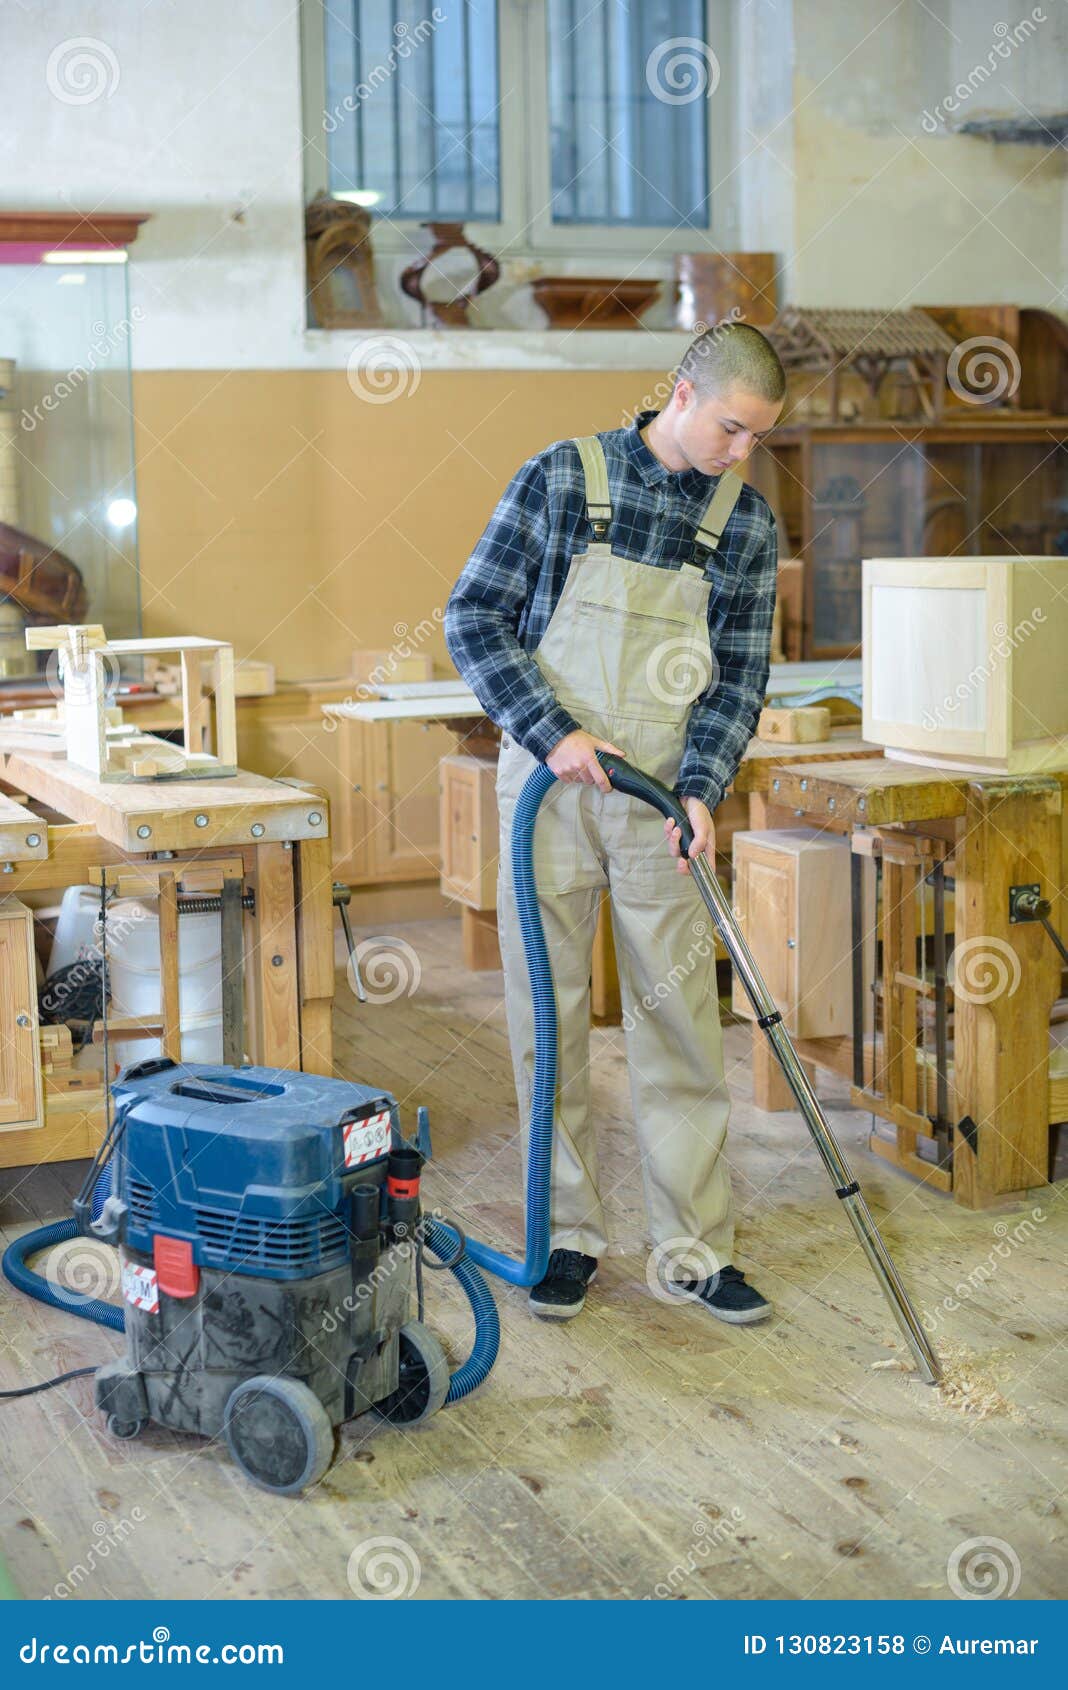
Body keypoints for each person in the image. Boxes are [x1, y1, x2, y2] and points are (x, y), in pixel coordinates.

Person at [444, 324, 786, 1324]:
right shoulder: (563, 477)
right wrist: (553, 732)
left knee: (679, 1022)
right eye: (730, 428)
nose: (741, 452)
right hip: (548, 791)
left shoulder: (745, 523)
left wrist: (703, 787)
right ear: (681, 395)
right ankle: (564, 1238)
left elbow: (740, 677)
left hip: (660, 800)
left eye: (757, 437)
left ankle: (695, 1250)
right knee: (547, 1019)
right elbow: (473, 617)